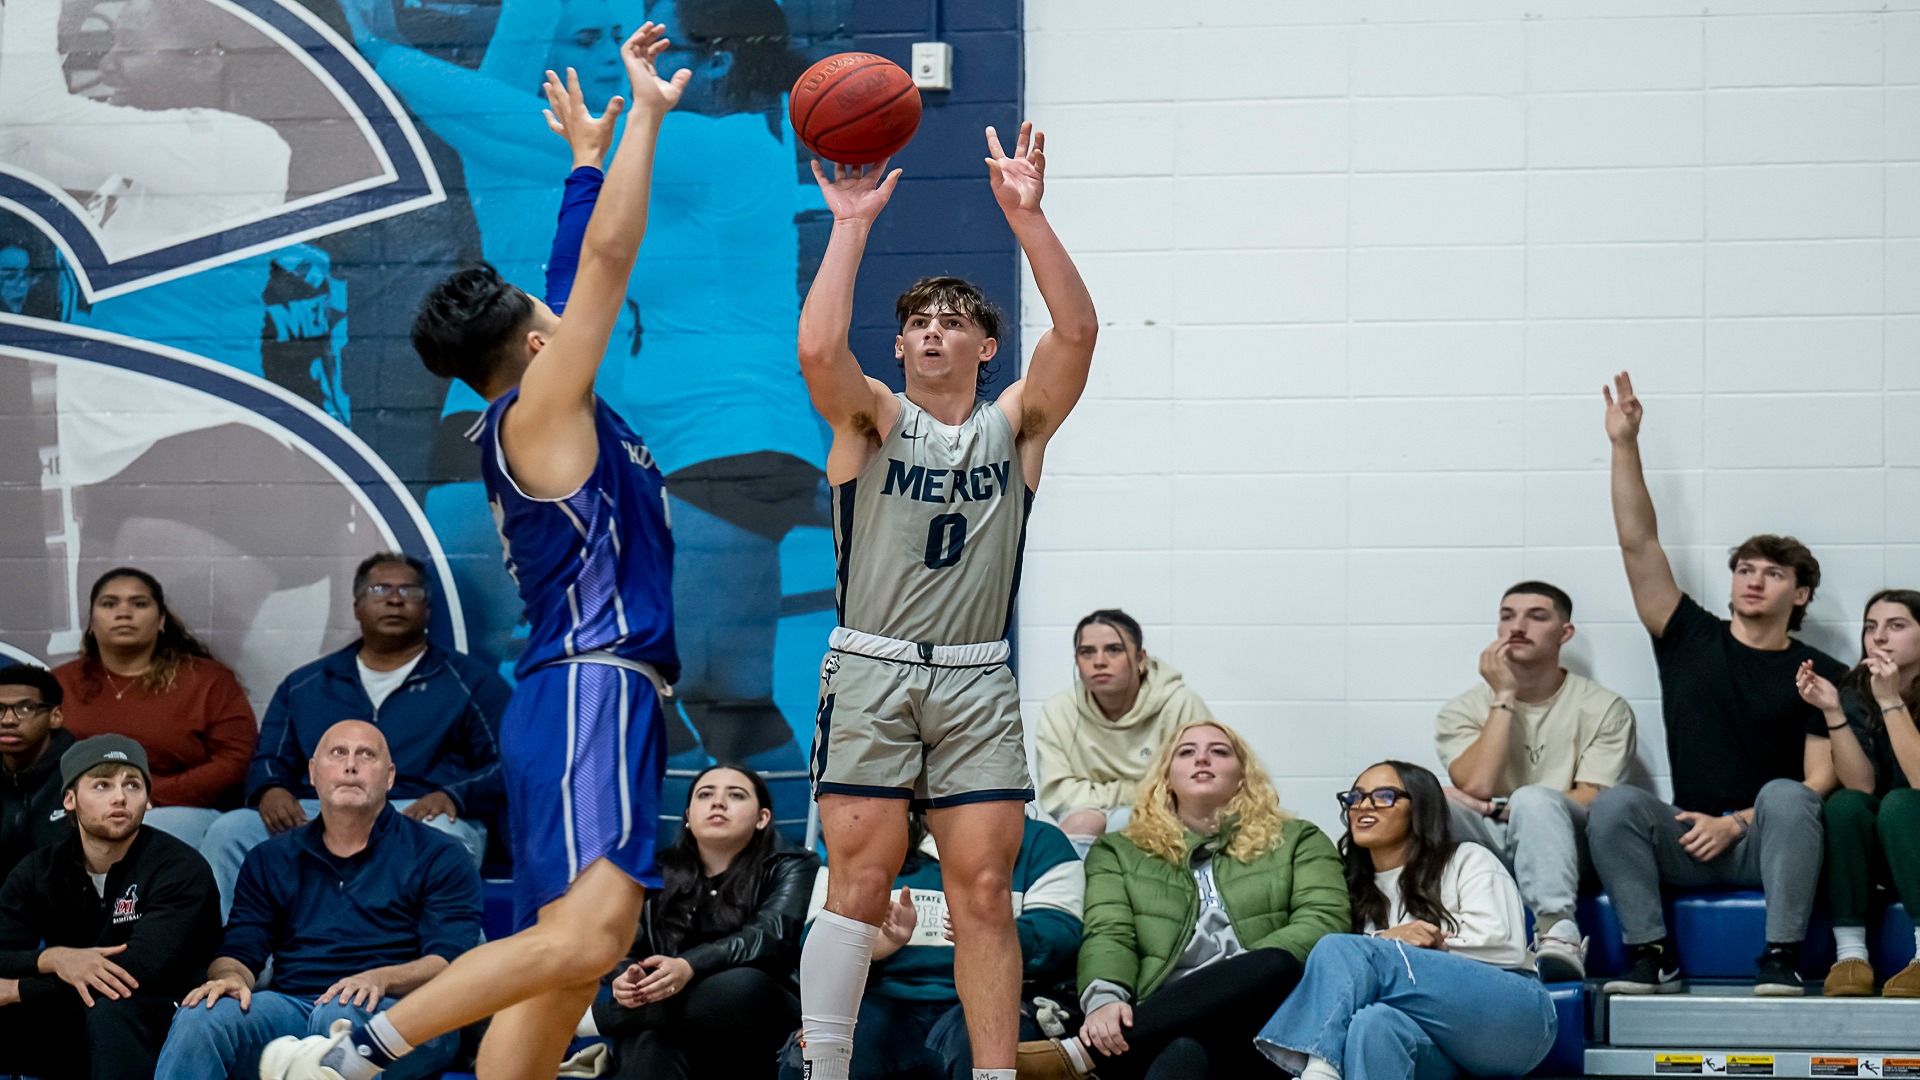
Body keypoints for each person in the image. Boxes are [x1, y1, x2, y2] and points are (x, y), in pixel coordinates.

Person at [260, 32, 690, 1080]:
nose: (566, 314)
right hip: (593, 686)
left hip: (578, 693)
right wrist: (644, 116)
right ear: (537, 346)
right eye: (552, 321)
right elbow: (601, 266)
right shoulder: (543, 410)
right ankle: (352, 1058)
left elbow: (566, 269)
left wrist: (584, 162)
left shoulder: (538, 400)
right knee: (586, 943)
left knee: (564, 973)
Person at [795, 118, 1099, 1080]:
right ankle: (827, 1068)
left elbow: (1080, 332)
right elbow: (817, 350)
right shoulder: (871, 418)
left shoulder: (1018, 429)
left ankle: (997, 1076)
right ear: (901, 345)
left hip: (975, 677)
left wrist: (1028, 218)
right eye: (918, 322)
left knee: (982, 890)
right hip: (874, 665)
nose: (932, 331)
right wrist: (848, 226)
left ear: (986, 345)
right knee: (859, 885)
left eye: (952, 321)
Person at [1593, 371, 1849, 995]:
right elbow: (1638, 542)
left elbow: (1820, 782)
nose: (1753, 581)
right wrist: (1625, 445)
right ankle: (1652, 954)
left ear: (1802, 592)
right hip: (1686, 836)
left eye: (1773, 573)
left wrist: (1737, 821)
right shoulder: (1689, 637)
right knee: (1615, 803)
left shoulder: (1824, 674)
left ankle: (1780, 957)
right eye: (1743, 569)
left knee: (1790, 794)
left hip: (1762, 841)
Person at [1018, 720, 1347, 1080]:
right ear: (1166, 776)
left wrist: (1235, 979)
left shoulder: (1298, 839)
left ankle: (1080, 1055)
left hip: (1264, 1013)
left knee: (1275, 962)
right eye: (1186, 752)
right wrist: (1104, 1000)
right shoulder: (1119, 850)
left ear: (1243, 776)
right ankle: (1097, 1048)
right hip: (1160, 1012)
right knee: (1184, 1054)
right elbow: (1110, 933)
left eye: (1219, 751)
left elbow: (1324, 920)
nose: (1202, 758)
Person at [155, 721, 480, 1079]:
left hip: (407, 1014)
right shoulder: (270, 858)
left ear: (389, 777)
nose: (351, 765)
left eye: (366, 755)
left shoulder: (439, 854)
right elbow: (240, 949)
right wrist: (229, 977)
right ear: (313, 772)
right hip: (295, 1006)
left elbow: (453, 961)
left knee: (339, 1017)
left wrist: (382, 978)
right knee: (203, 1013)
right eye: (338, 753)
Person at [201, 553, 508, 914]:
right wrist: (270, 790)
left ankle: (433, 962)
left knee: (448, 835)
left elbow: (507, 763)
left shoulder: (471, 682)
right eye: (380, 590)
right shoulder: (307, 684)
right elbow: (269, 757)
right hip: (319, 809)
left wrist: (455, 796)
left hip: (416, 809)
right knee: (231, 830)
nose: (395, 599)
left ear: (427, 608)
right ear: (357, 607)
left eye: (408, 590)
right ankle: (235, 965)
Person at [1253, 761, 1557, 1080]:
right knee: (1372, 1026)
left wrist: (1400, 950)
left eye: (1384, 796)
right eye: (1355, 797)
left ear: (1421, 807)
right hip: (1433, 1042)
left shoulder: (1468, 859)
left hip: (1514, 1020)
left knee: (1342, 949)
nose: (1363, 805)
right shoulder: (1349, 887)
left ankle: (1318, 1070)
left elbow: (1505, 950)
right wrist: (1389, 942)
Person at [782, 812, 1084, 1080]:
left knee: (980, 1054)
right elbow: (816, 942)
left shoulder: (1042, 841)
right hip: (880, 997)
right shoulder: (868, 834)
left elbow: (1061, 935)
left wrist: (994, 932)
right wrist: (881, 942)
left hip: (993, 997)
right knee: (806, 1062)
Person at [1435, 581, 1636, 981]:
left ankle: (1557, 932)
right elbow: (1475, 786)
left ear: (1565, 633)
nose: (1517, 626)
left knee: (1535, 800)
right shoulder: (1463, 708)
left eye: (1536, 616)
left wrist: (1511, 804)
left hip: (1569, 844)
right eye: (1507, 616)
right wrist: (1504, 695)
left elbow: (1592, 797)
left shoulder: (1603, 707)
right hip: (1493, 838)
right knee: (1417, 799)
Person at [0, 735, 223, 1080]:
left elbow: (136, 971)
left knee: (111, 1010)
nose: (120, 797)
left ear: (148, 801)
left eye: (132, 785)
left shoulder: (180, 867)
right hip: (74, 1003)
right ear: (70, 800)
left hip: (165, 1008)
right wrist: (52, 958)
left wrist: (19, 990)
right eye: (102, 784)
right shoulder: (38, 869)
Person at [581, 764, 818, 1079]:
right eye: (705, 795)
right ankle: (621, 1015)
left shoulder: (792, 864)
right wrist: (628, 978)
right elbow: (624, 944)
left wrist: (688, 966)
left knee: (746, 984)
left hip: (754, 1019)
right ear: (688, 817)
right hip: (663, 1023)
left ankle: (592, 1019)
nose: (718, 803)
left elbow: (771, 934)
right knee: (651, 1044)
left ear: (762, 818)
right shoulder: (655, 873)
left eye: (736, 795)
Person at [53, 567, 257, 848]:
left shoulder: (208, 680)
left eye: (139, 603)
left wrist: (142, 794)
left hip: (182, 812)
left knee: (136, 832)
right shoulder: (59, 683)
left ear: (161, 620)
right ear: (91, 621)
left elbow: (234, 761)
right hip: (79, 810)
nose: (123, 612)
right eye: (109, 603)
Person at [1796, 589, 1920, 997]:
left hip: (1913, 831)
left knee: (1902, 803)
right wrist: (1833, 712)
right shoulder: (1853, 692)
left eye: (1896, 626)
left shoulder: (1883, 693)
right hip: (1883, 851)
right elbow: (1861, 785)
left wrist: (1890, 701)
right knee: (1846, 805)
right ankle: (1850, 956)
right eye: (1870, 628)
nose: (1879, 638)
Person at [1035, 610, 1215, 857]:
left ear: (1140, 658)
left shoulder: (1180, 703)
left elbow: (1199, 782)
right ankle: (1082, 896)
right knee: (1079, 824)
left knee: (1124, 820)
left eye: (1114, 650)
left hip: (1168, 814)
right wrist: (1129, 792)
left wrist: (1123, 805)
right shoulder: (1060, 710)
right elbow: (1057, 793)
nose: (1099, 661)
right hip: (1090, 814)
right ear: (1077, 661)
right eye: (1087, 652)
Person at [0, 664, 78, 881]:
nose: (8, 720)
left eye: (25, 708)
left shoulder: (83, 774)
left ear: (55, 717)